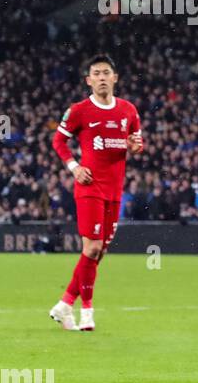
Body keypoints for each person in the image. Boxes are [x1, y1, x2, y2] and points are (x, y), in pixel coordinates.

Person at [48, 54, 143, 332]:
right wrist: (74, 166)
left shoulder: (128, 110)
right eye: (96, 74)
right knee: (92, 247)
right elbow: (58, 140)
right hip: (89, 187)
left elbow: (136, 142)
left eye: (106, 73)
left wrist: (136, 148)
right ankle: (87, 311)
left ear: (115, 78)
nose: (101, 77)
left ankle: (65, 305)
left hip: (115, 190)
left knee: (97, 252)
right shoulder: (79, 110)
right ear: (89, 80)